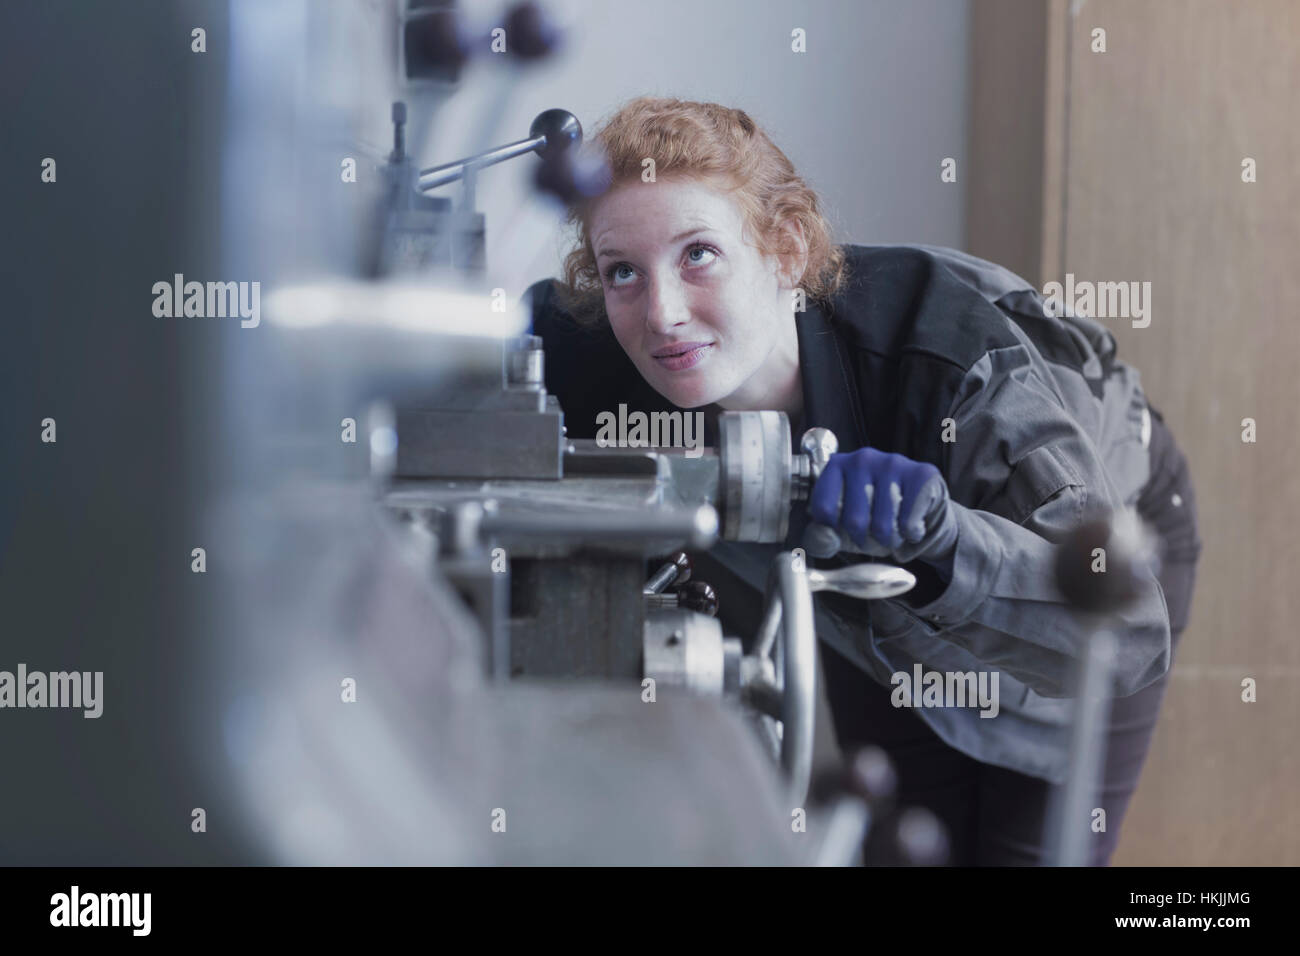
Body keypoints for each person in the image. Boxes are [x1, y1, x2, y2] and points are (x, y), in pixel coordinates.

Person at [525, 96, 1201, 865]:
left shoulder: (950, 367)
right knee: (900, 843)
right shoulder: (599, 350)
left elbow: (1124, 637)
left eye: (698, 254)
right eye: (622, 272)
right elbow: (449, 394)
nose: (663, 314)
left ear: (784, 250)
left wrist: (946, 542)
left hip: (1091, 560)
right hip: (875, 617)